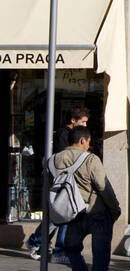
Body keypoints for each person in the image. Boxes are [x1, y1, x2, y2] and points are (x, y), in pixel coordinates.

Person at [51, 126, 121, 271]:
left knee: (71, 249)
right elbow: (104, 187)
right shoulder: (90, 159)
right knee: (100, 257)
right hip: (96, 212)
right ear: (82, 140)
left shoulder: (54, 160)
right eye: (88, 142)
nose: (89, 146)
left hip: (73, 214)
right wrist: (115, 210)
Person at [28, 105, 92, 260]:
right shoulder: (65, 135)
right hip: (61, 182)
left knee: (64, 217)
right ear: (73, 120)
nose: (85, 125)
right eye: (82, 122)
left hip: (67, 183)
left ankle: (54, 248)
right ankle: (38, 242)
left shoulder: (70, 134)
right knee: (57, 217)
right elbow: (66, 157)